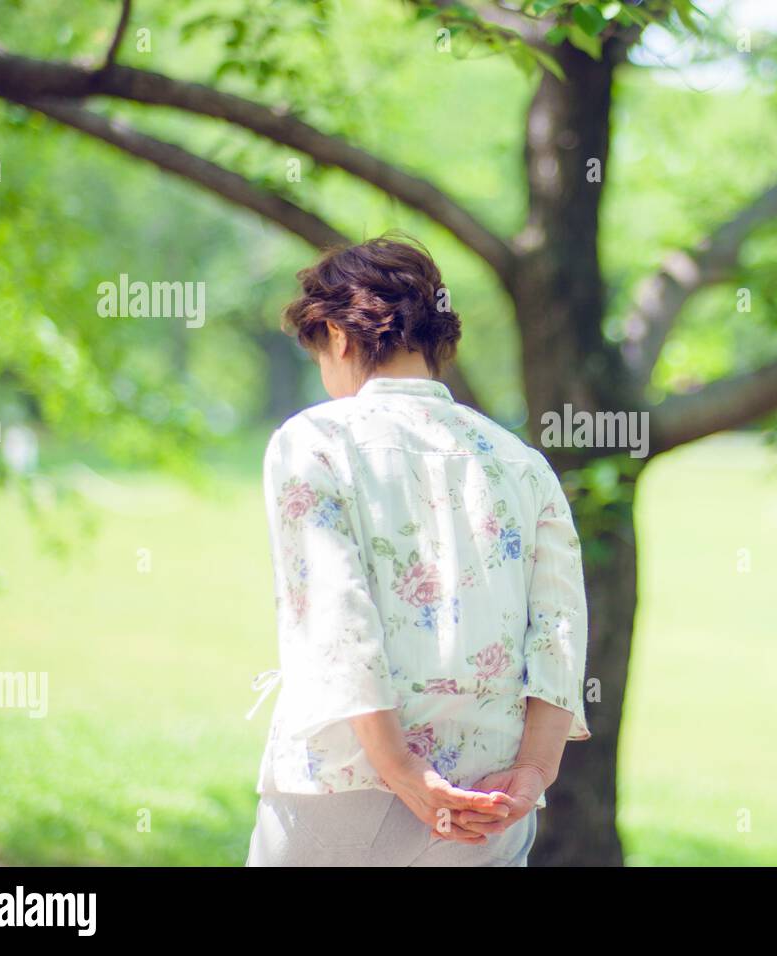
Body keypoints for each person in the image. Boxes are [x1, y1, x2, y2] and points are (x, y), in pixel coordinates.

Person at [244, 234, 590, 866]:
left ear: (339, 337)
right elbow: (558, 633)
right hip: (491, 795)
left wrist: (401, 769)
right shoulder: (523, 464)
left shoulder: (314, 441)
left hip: (345, 779)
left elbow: (336, 616)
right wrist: (534, 773)